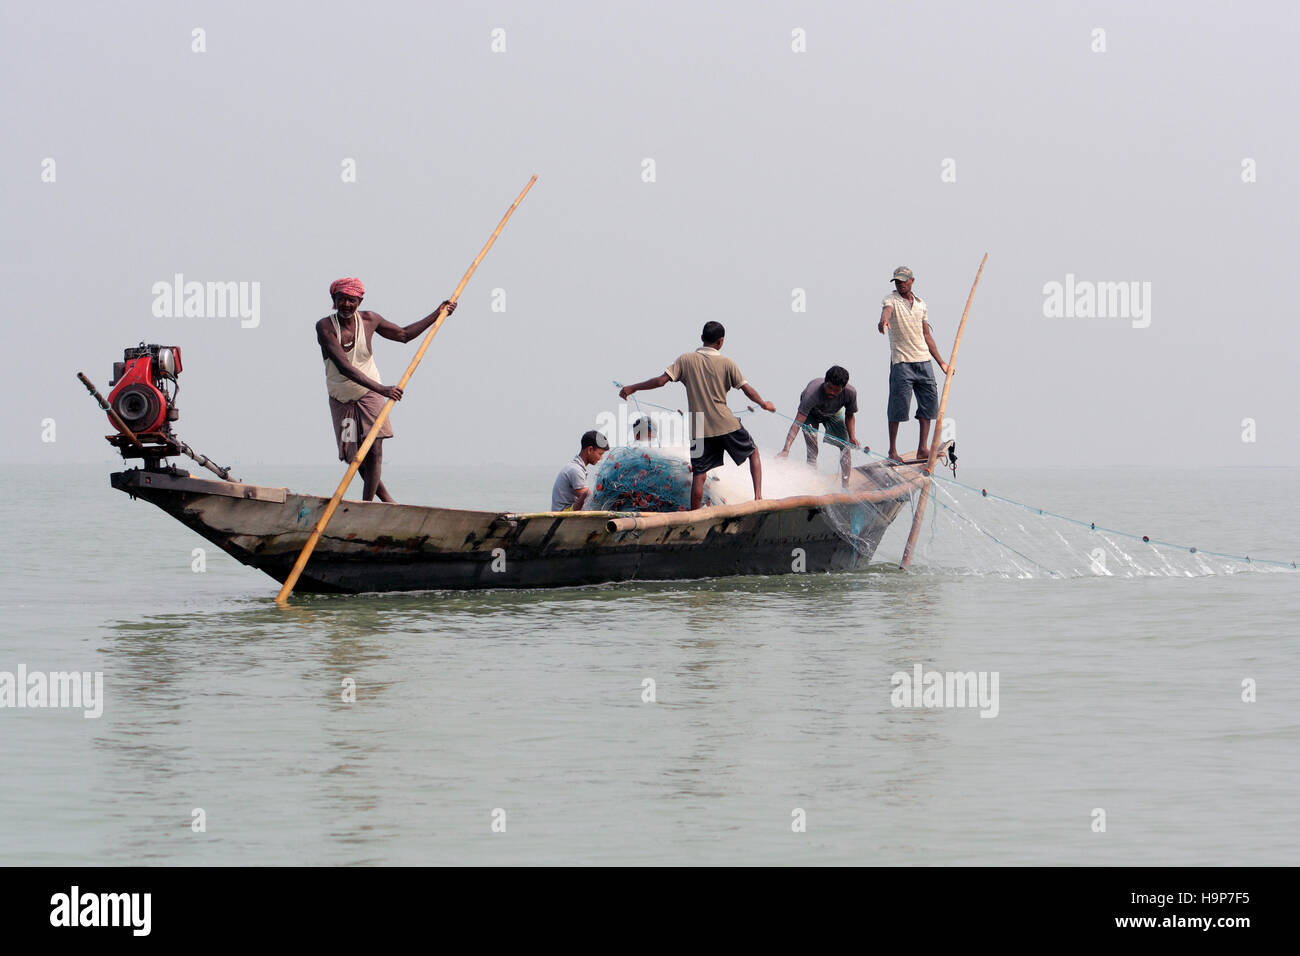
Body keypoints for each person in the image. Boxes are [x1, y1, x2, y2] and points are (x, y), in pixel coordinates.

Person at [316, 277, 455, 502]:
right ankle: (385, 499)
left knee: (375, 448)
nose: (346, 305)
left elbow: (403, 335)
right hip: (342, 397)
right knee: (354, 456)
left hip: (369, 394)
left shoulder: (370, 320)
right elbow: (344, 367)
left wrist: (437, 314)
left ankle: (367, 504)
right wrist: (383, 389)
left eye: (351, 300)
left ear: (360, 301)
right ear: (334, 300)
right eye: (341, 300)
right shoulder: (324, 327)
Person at [618, 321, 775, 510]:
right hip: (725, 423)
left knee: (699, 474)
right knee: (753, 451)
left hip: (699, 426)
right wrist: (763, 404)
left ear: (702, 338)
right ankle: (758, 498)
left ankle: (694, 514)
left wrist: (632, 388)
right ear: (721, 341)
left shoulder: (685, 360)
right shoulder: (727, 363)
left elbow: (661, 381)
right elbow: (747, 389)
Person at [877, 266, 948, 462]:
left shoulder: (921, 304)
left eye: (903, 281)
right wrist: (883, 322)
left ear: (912, 281)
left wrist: (941, 362)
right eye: (897, 281)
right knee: (898, 406)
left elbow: (927, 335)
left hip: (924, 361)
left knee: (929, 405)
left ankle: (922, 448)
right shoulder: (891, 299)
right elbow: (886, 313)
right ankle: (893, 451)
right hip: (902, 363)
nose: (900, 284)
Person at [776, 365, 859, 487]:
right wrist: (786, 449)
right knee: (813, 449)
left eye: (836, 390)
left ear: (843, 388)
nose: (831, 392)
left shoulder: (850, 393)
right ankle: (811, 483)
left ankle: (845, 486)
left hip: (833, 413)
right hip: (811, 415)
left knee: (845, 446)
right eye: (829, 388)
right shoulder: (811, 394)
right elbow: (797, 422)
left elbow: (850, 416)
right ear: (825, 382)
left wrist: (852, 437)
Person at [551, 430, 609, 511]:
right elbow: (589, 499)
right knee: (587, 494)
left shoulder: (577, 467)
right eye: (600, 454)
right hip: (563, 513)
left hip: (568, 509)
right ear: (590, 450)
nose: (601, 458)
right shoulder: (575, 470)